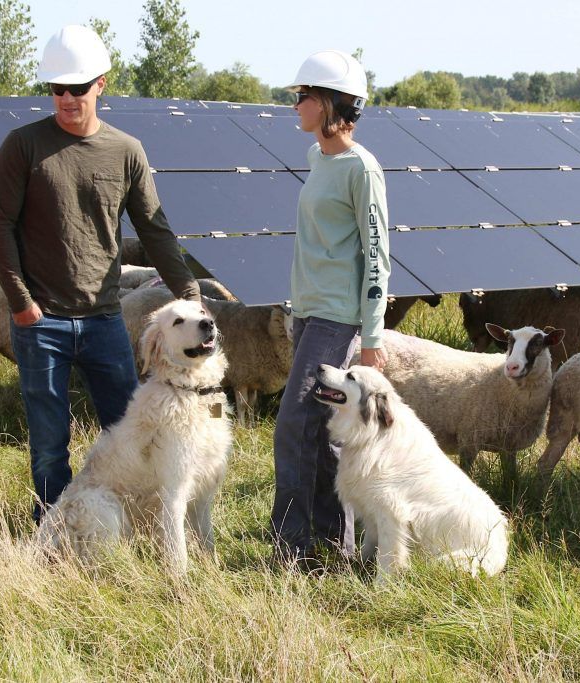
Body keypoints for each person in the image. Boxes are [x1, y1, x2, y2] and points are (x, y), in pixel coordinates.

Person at [0, 24, 200, 520]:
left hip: (105, 319)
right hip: (42, 323)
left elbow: (154, 228)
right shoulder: (23, 146)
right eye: (55, 89)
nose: (65, 98)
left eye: (76, 88)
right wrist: (20, 304)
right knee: (47, 444)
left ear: (101, 83)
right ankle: (54, 534)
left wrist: (189, 293)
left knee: (128, 429)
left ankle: (132, 523)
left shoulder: (126, 151)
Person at [271, 50, 391, 566]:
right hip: (307, 312)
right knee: (319, 434)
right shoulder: (317, 159)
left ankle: (290, 548)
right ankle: (330, 548)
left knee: (293, 424)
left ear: (330, 103)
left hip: (338, 317)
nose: (295, 104)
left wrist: (373, 337)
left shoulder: (361, 169)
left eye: (303, 96)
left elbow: (377, 255)